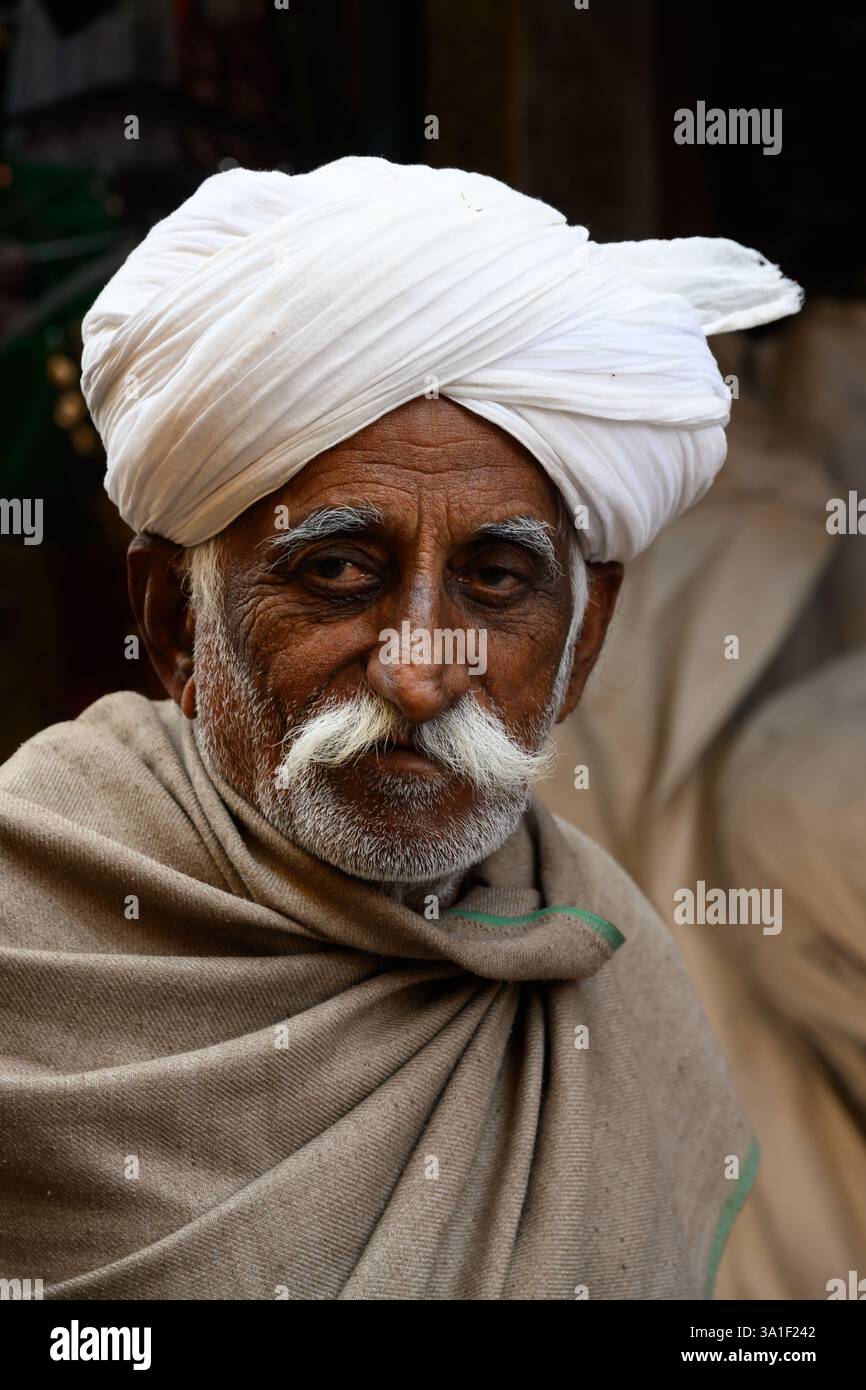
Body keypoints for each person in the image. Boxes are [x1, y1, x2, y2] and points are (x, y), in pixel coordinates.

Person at [0, 157, 801, 1300]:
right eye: (335, 571)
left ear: (581, 643)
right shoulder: (23, 932)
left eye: (494, 581)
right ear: (175, 624)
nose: (421, 670)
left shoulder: (604, 971)